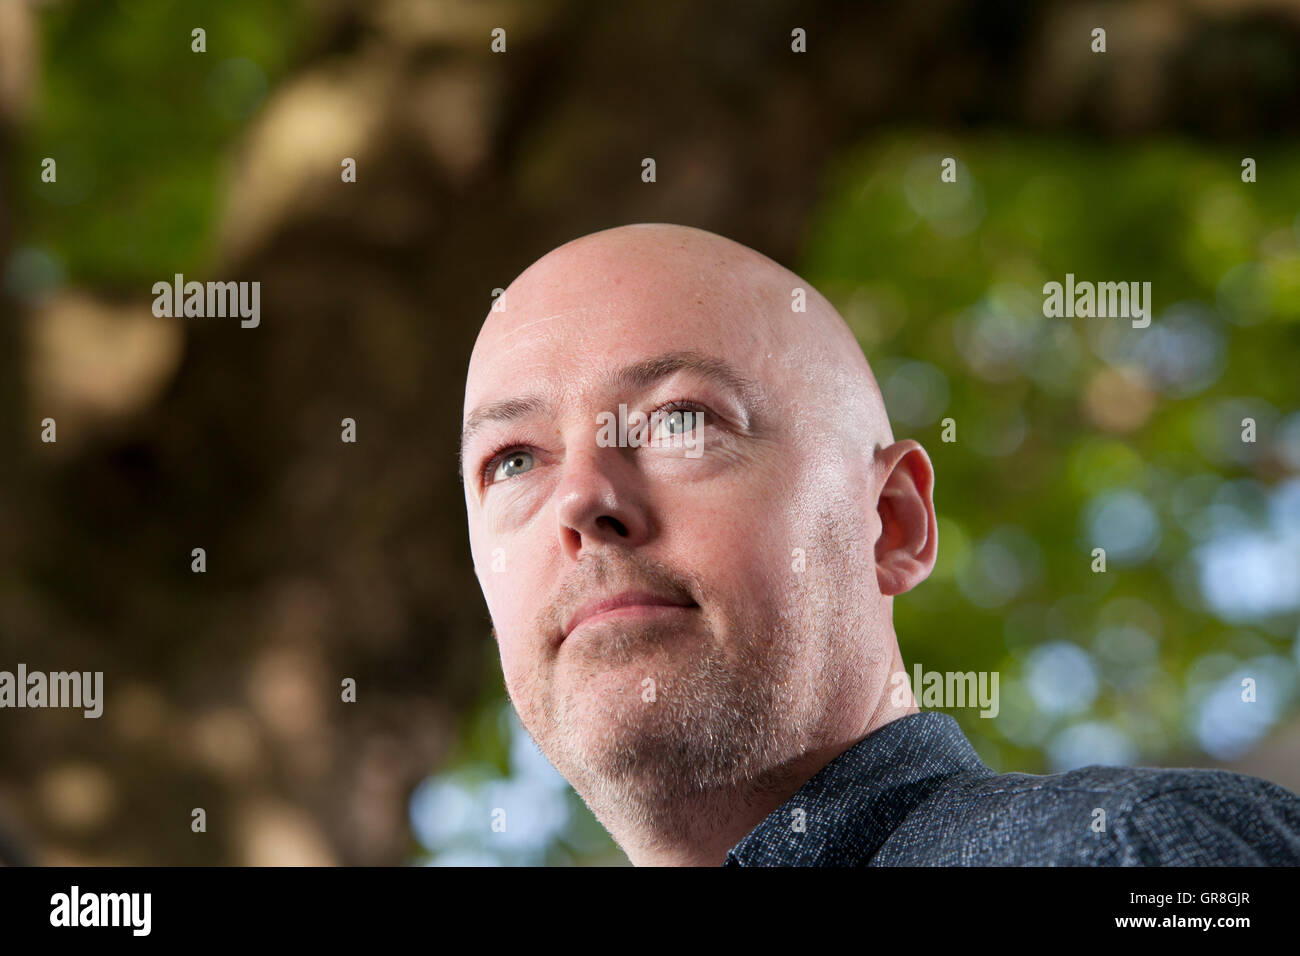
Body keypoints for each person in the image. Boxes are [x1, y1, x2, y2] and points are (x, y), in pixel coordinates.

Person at [459, 222, 1300, 866]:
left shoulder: (1119, 853)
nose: (581, 498)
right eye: (514, 461)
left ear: (891, 522)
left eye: (680, 420)